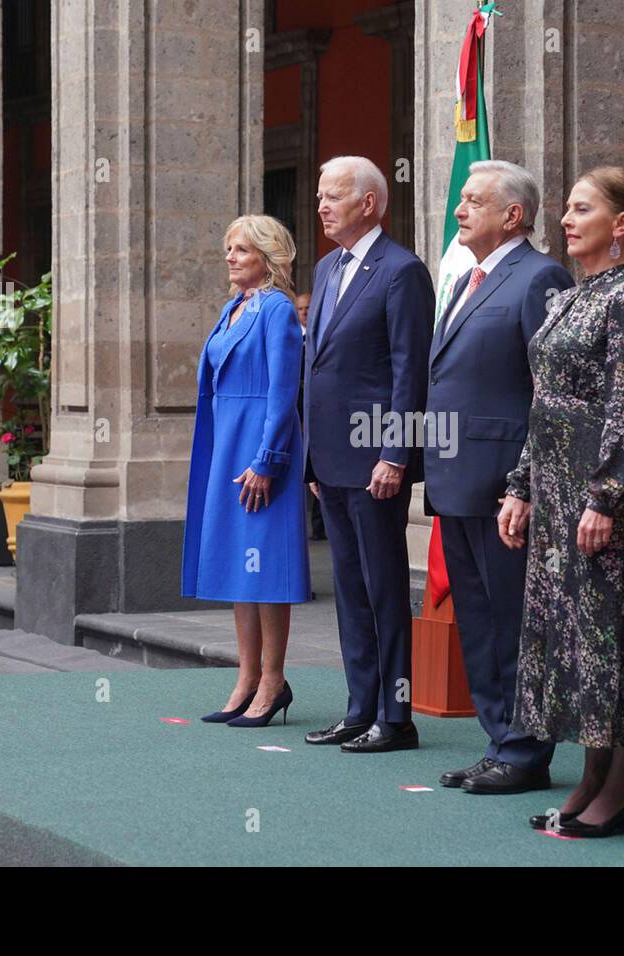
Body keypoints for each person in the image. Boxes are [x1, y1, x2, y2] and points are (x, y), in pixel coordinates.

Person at [498, 166, 624, 836]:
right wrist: (519, 486)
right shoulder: (571, 295)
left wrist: (605, 496)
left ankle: (622, 786)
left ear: (620, 225)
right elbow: (546, 404)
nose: (566, 220)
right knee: (565, 634)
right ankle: (591, 778)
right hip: (553, 490)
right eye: (565, 209)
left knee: (605, 636)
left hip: (597, 495)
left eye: (582, 208)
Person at [424, 160, 573, 795]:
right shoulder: (467, 278)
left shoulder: (541, 277)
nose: (459, 209)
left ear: (513, 215)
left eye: (473, 200)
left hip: (505, 485)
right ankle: (498, 742)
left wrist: (528, 484)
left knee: (514, 622)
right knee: (479, 624)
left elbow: (552, 391)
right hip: (455, 478)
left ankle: (526, 750)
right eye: (460, 199)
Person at [302, 156, 435, 753]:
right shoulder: (328, 266)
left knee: (384, 590)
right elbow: (318, 368)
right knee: (350, 590)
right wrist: (308, 460)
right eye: (321, 196)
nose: (323, 206)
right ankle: (359, 709)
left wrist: (396, 453)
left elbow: (410, 371)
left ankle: (396, 716)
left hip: (376, 458)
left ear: (370, 203)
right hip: (329, 460)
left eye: (334, 196)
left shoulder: (401, 271)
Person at [181, 214, 309, 728]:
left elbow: (284, 391)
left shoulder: (276, 309)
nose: (229, 256)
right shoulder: (234, 307)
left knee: (266, 568)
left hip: (260, 445)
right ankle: (247, 677)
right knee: (240, 564)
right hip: (226, 442)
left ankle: (274, 681)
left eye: (241, 249)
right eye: (228, 248)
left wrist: (268, 460)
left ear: (268, 256)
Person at [293, 291, 326, 540]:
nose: (305, 312)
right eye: (301, 309)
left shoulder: (323, 333)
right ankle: (316, 525)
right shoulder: (293, 337)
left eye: (308, 308)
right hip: (300, 403)